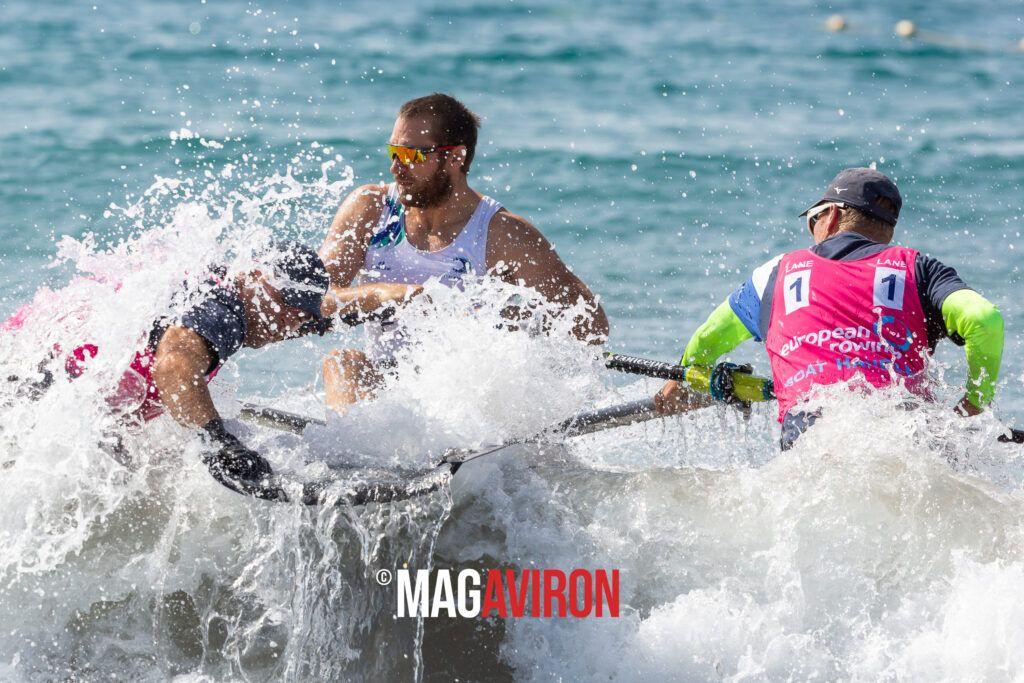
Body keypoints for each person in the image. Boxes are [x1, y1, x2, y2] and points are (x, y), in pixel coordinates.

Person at [5, 242, 415, 498]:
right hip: (29, 385)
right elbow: (174, 364)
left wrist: (421, 298)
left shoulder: (268, 305)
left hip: (51, 381)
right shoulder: (224, 307)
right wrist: (220, 443)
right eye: (287, 306)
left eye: (301, 314)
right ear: (256, 278)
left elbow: (342, 304)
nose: (289, 323)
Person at [654, 168, 1004, 449]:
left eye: (812, 220)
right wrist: (975, 402)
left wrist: (681, 380)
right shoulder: (918, 269)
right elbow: (984, 320)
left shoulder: (776, 272)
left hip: (814, 435)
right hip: (909, 434)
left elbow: (708, 338)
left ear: (832, 216)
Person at [318, 93, 609, 410]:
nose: (395, 167)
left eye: (412, 155)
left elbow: (592, 325)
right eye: (394, 152)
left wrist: (516, 328)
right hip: (386, 395)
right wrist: (386, 295)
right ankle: (352, 439)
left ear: (456, 157)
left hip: (461, 406)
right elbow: (313, 297)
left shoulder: (503, 235)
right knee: (342, 362)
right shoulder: (371, 208)